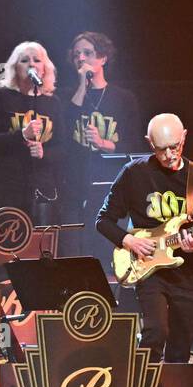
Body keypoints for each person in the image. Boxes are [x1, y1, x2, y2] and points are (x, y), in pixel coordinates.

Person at [95, 113, 193, 362]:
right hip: (150, 270)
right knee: (155, 332)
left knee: (181, 345)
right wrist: (128, 240)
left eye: (175, 147)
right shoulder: (133, 173)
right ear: (150, 144)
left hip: (189, 272)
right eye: (161, 150)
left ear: (184, 137)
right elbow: (103, 221)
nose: (170, 155)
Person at [62, 32, 142, 246]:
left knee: (102, 242)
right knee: (73, 244)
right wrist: (82, 84)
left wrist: (106, 144)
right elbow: (64, 129)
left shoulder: (123, 98)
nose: (81, 58)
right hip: (74, 180)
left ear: (103, 58)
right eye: (77, 54)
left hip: (108, 181)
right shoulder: (67, 96)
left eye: (88, 53)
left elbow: (135, 144)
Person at [0, 41, 68, 224]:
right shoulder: (1, 97)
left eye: (37, 60)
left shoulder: (53, 103)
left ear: (44, 68)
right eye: (24, 60)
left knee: (43, 243)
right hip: (8, 183)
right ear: (15, 67)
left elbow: (63, 147)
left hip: (42, 184)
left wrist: (45, 153)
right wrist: (20, 135)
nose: (31, 64)